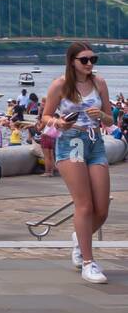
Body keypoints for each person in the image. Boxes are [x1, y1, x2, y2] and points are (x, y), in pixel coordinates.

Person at [42, 41, 112, 284]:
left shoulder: (99, 82)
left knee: (102, 209)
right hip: (71, 142)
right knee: (84, 205)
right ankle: (88, 262)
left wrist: (102, 115)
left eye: (93, 59)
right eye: (84, 60)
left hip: (95, 142)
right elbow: (45, 118)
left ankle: (78, 239)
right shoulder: (60, 84)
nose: (90, 63)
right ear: (72, 61)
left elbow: (110, 118)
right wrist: (59, 123)